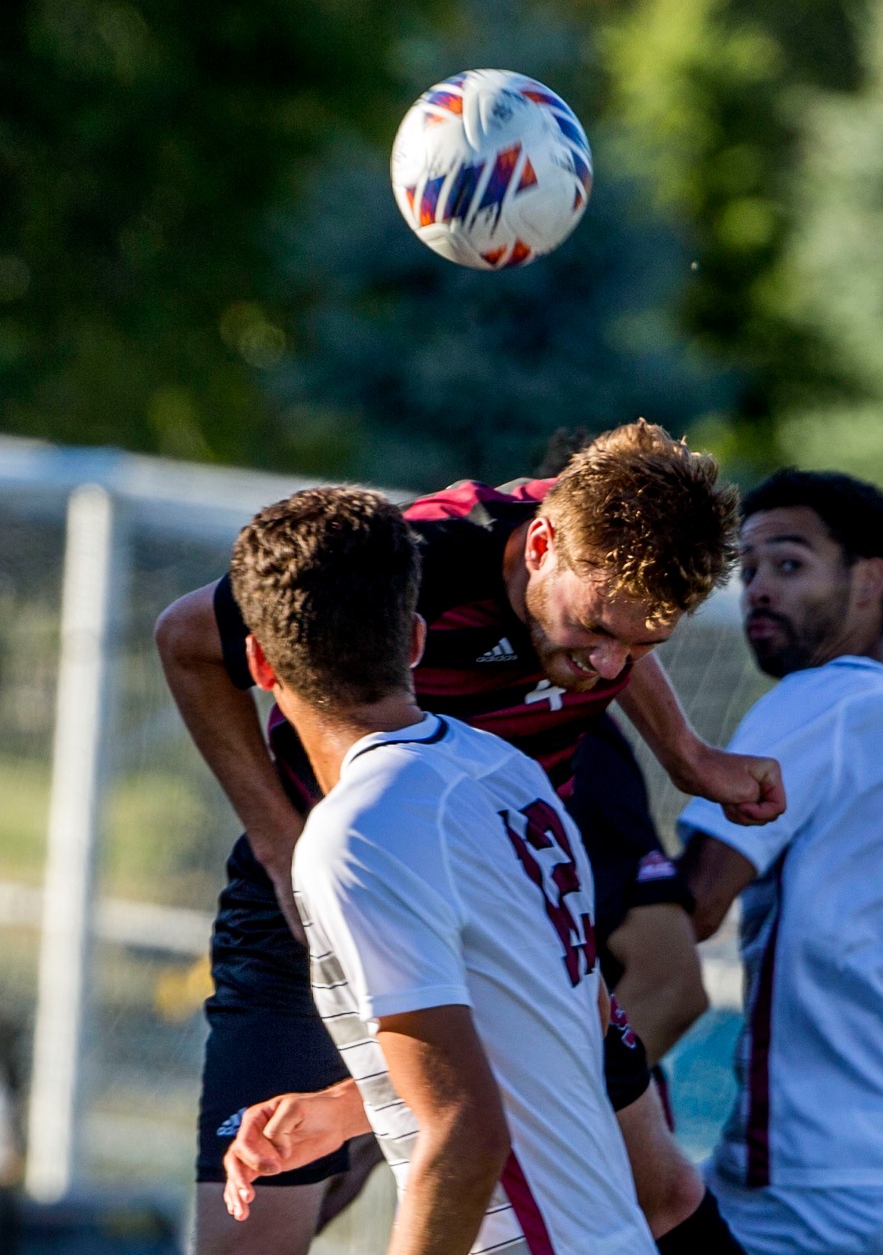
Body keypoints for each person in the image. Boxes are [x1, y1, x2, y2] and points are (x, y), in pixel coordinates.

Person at [155, 422, 776, 1253]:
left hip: (506, 911)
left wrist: (686, 753)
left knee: (657, 1185)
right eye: (597, 629)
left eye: (642, 646)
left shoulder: (587, 589)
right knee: (255, 1232)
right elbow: (186, 636)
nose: (607, 666)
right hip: (336, 894)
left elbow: (467, 1131)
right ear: (541, 544)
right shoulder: (418, 560)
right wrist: (279, 839)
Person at [216, 486, 656, 1252]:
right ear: (417, 638)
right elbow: (551, 1031)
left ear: (258, 661)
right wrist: (349, 1107)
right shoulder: (510, 773)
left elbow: (466, 1133)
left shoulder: (355, 833)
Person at [662, 471, 883, 1255]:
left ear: (869, 580)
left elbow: (692, 906)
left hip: (822, 1183)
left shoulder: (817, 698)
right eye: (749, 569)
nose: (759, 589)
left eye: (790, 563)